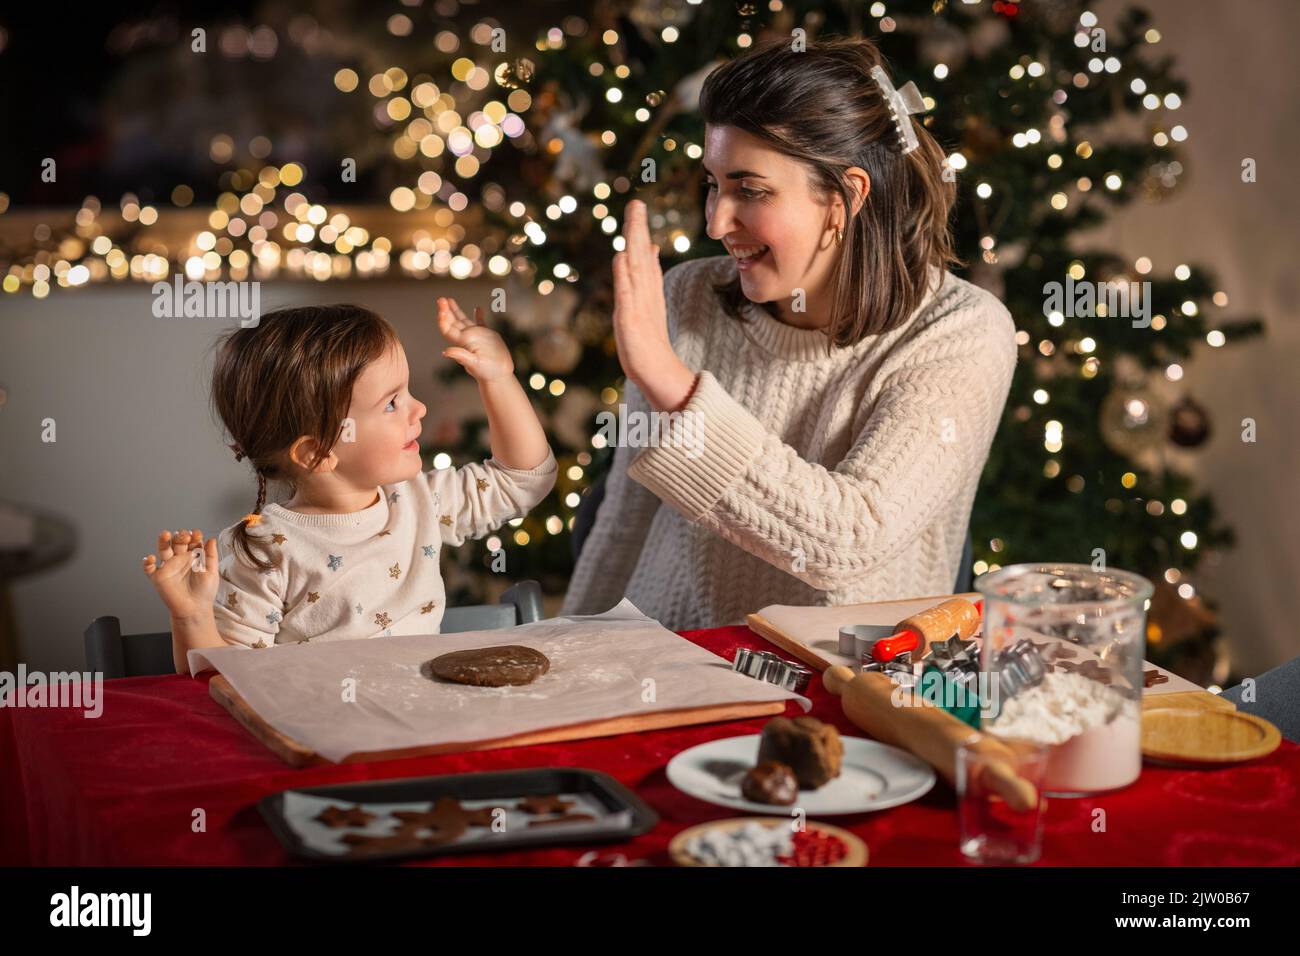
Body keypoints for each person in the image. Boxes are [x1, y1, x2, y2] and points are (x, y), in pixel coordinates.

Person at [562, 36, 1017, 630]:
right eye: (712, 183)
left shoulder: (961, 331)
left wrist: (671, 384)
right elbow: (625, 519)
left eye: (750, 190)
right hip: (659, 667)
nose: (717, 221)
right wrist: (565, 657)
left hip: (838, 697)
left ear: (845, 198)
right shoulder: (688, 295)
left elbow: (850, 538)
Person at [142, 299, 556, 673]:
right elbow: (228, 681)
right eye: (391, 403)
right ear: (317, 454)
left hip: (420, 725)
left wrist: (498, 379)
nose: (419, 408)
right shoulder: (263, 550)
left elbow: (520, 480)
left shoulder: (418, 501)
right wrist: (192, 617)